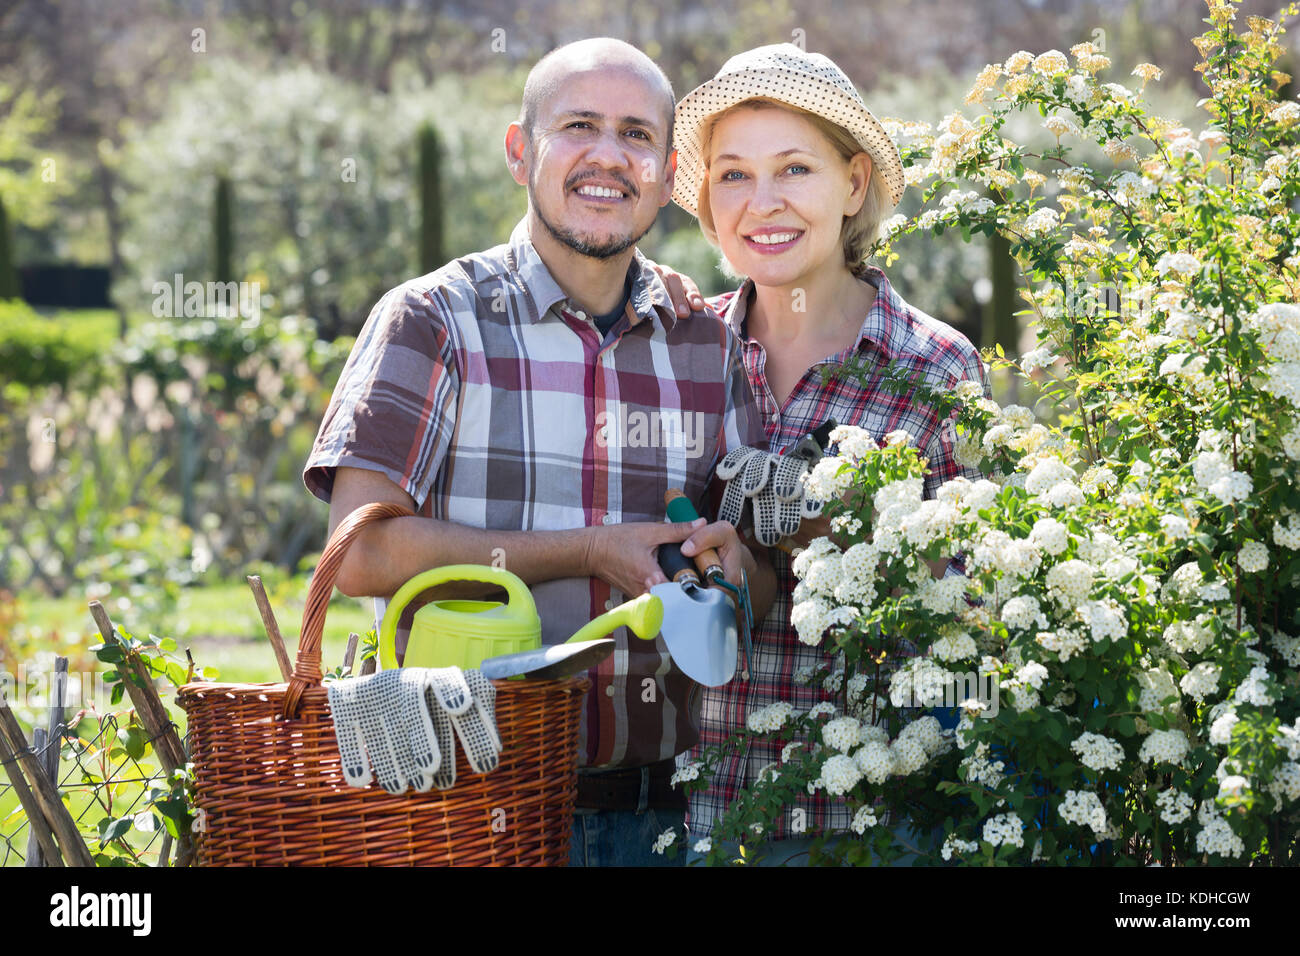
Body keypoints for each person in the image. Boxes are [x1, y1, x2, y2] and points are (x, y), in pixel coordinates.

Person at [301, 37, 774, 867]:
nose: (607, 155)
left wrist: (739, 568)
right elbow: (362, 554)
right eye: (579, 125)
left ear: (667, 176)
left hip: (663, 821)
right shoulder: (433, 320)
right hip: (465, 807)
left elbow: (756, 576)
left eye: (636, 135)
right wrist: (591, 551)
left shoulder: (706, 342)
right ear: (522, 152)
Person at [661, 44, 991, 865]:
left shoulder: (934, 368)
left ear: (851, 184)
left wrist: (811, 532)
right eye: (733, 174)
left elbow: (977, 613)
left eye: (794, 169)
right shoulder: (677, 347)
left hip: (871, 828)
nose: (761, 203)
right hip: (693, 814)